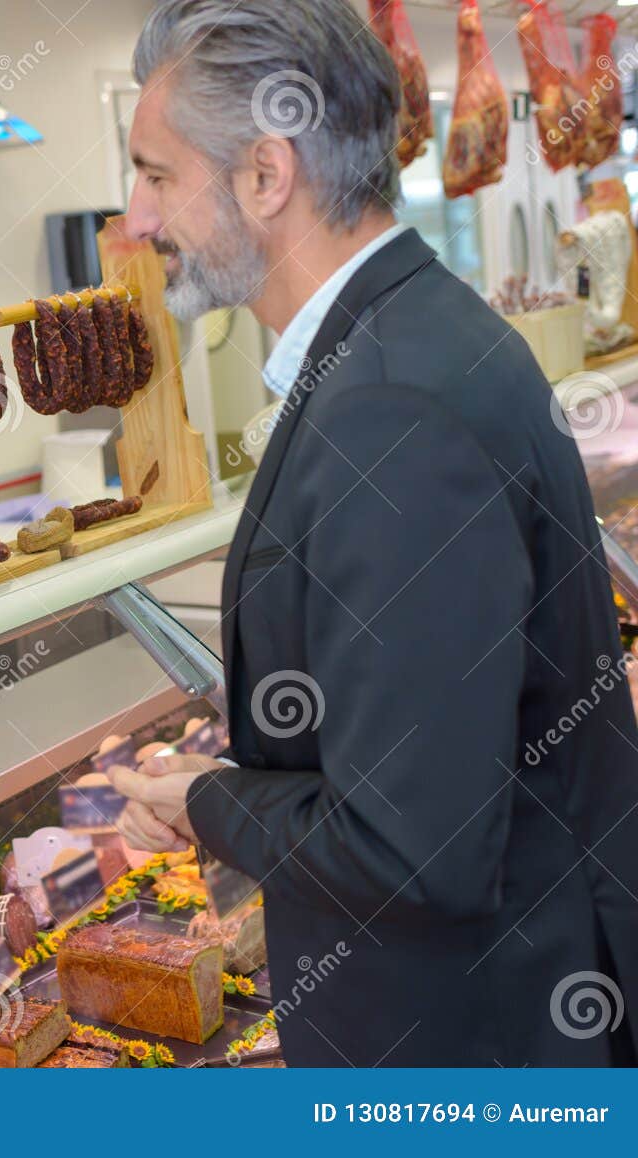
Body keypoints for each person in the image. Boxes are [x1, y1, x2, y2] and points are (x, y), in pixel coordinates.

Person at [109, 0, 638, 1066]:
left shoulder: (391, 410)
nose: (136, 217)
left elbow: (416, 852)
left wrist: (215, 803)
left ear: (266, 175)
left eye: (157, 175)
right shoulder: (414, 331)